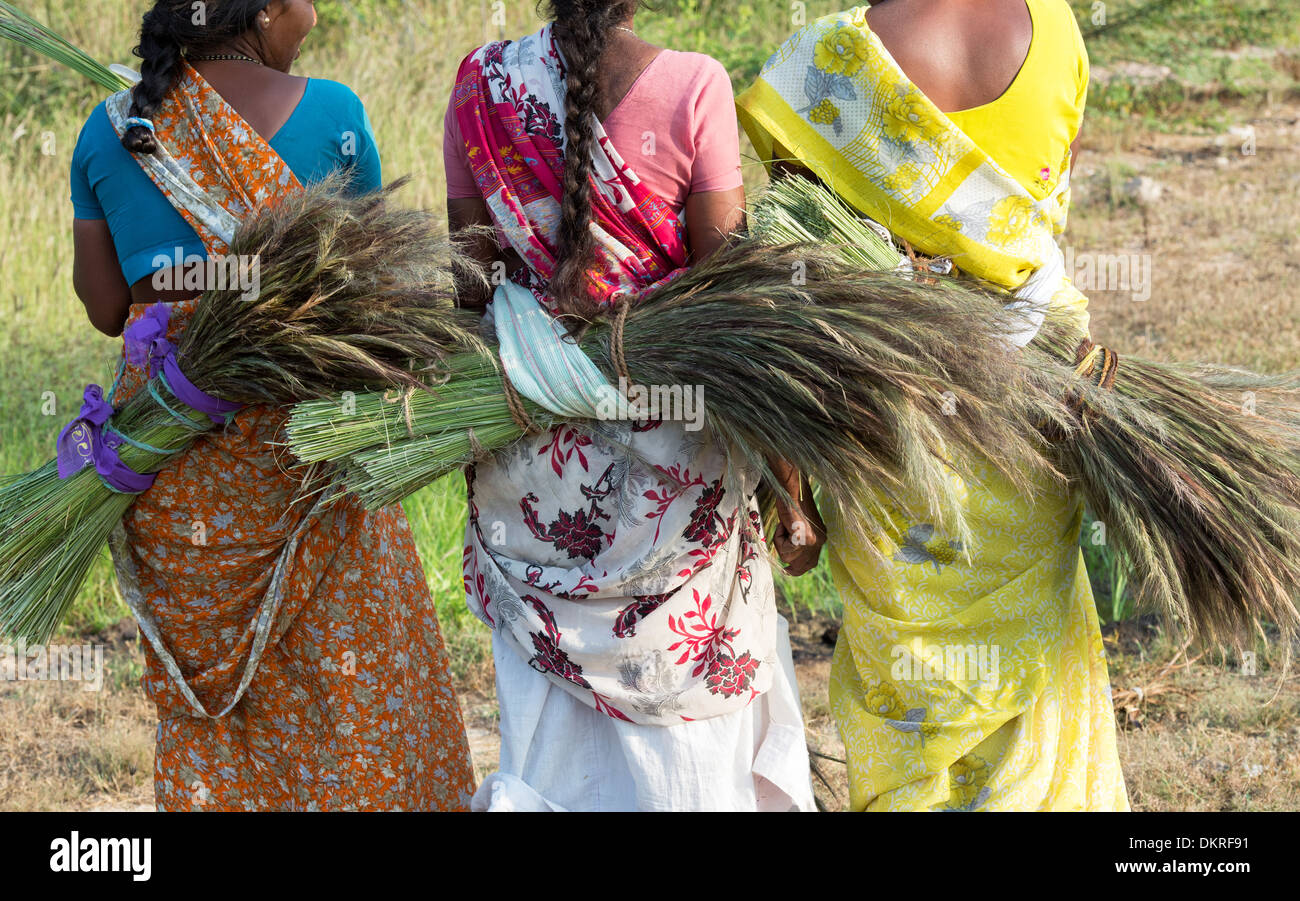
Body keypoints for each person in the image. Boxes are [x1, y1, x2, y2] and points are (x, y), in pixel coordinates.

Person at [70, 0, 475, 811]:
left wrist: (188, 287)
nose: (314, 18)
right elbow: (375, 294)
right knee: (350, 690)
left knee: (217, 712)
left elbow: (105, 303)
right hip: (313, 451)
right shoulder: (334, 114)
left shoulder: (108, 127)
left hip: (175, 463)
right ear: (260, 10)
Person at [736, 0, 1129, 811]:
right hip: (1028, 410)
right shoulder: (1055, 31)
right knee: (1032, 686)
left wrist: (791, 491)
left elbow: (796, 282)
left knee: (912, 704)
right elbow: (1041, 217)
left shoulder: (829, 63)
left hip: (890, 435)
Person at [444, 0, 818, 811]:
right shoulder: (693, 85)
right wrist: (790, 484)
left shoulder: (481, 85)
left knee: (549, 737)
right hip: (672, 469)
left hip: (531, 465)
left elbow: (472, 291)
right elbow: (731, 308)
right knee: (689, 745)